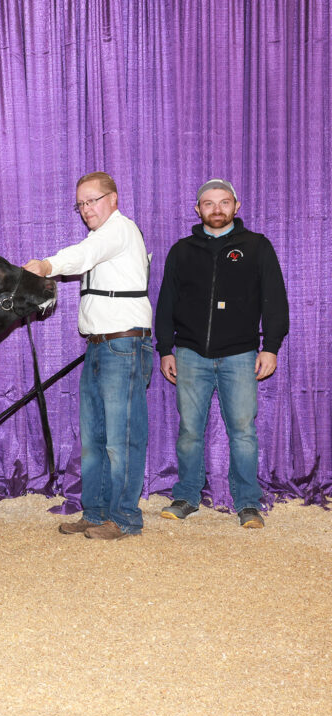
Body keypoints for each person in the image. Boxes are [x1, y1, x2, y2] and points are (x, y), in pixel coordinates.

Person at [24, 172, 153, 540]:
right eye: (80, 204)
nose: (85, 209)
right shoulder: (101, 236)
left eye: (92, 200)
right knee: (94, 438)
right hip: (99, 346)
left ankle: (125, 518)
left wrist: (46, 266)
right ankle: (95, 513)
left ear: (113, 198)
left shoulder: (120, 229)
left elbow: (82, 256)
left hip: (123, 345)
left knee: (122, 437)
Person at [154, 178, 289, 529]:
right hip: (190, 354)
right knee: (189, 432)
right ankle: (186, 496)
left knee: (243, 431)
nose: (217, 209)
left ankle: (247, 503)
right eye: (209, 203)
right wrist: (166, 348)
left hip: (241, 355)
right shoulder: (182, 250)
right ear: (197, 209)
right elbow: (166, 302)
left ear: (236, 206)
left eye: (224, 202)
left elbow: (274, 301)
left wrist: (270, 347)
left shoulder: (257, 246)